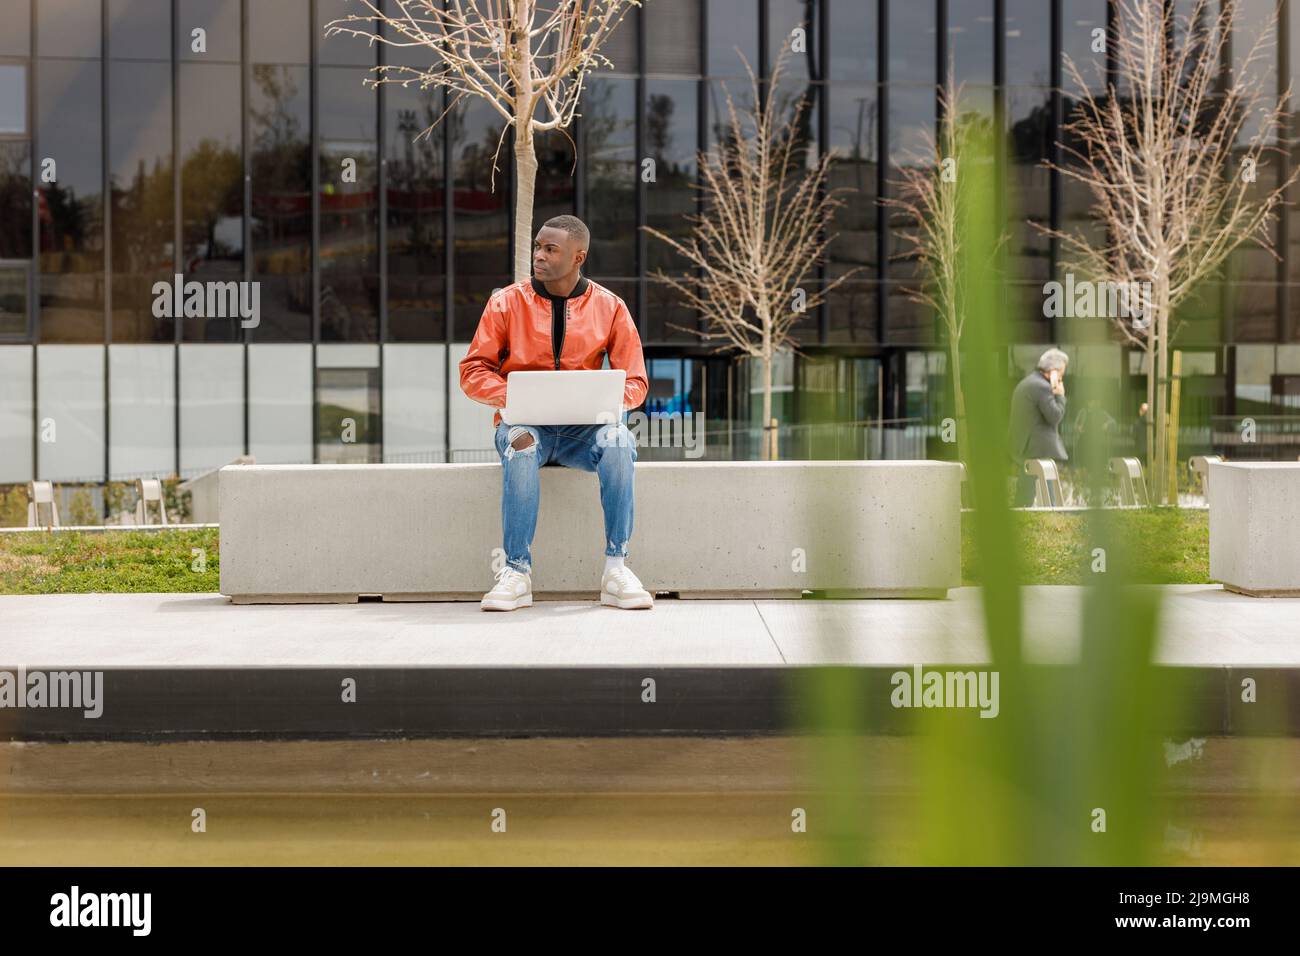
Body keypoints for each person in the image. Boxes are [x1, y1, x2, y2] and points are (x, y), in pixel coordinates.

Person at [459, 215, 653, 612]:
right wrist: (512, 395)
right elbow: (473, 370)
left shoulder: (610, 307)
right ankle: (516, 573)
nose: (539, 256)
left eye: (551, 249)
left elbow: (637, 381)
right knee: (521, 443)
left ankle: (617, 569)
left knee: (619, 440)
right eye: (537, 247)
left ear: (578, 256)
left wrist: (612, 402)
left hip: (586, 432)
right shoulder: (506, 302)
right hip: (526, 425)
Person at [1008, 348, 1069, 506]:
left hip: (1028, 448)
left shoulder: (1029, 382)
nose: (1062, 377)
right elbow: (1055, 416)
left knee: (1025, 495)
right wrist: (1060, 395)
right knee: (1049, 501)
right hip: (1038, 450)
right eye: (1061, 373)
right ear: (1053, 371)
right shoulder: (1041, 386)